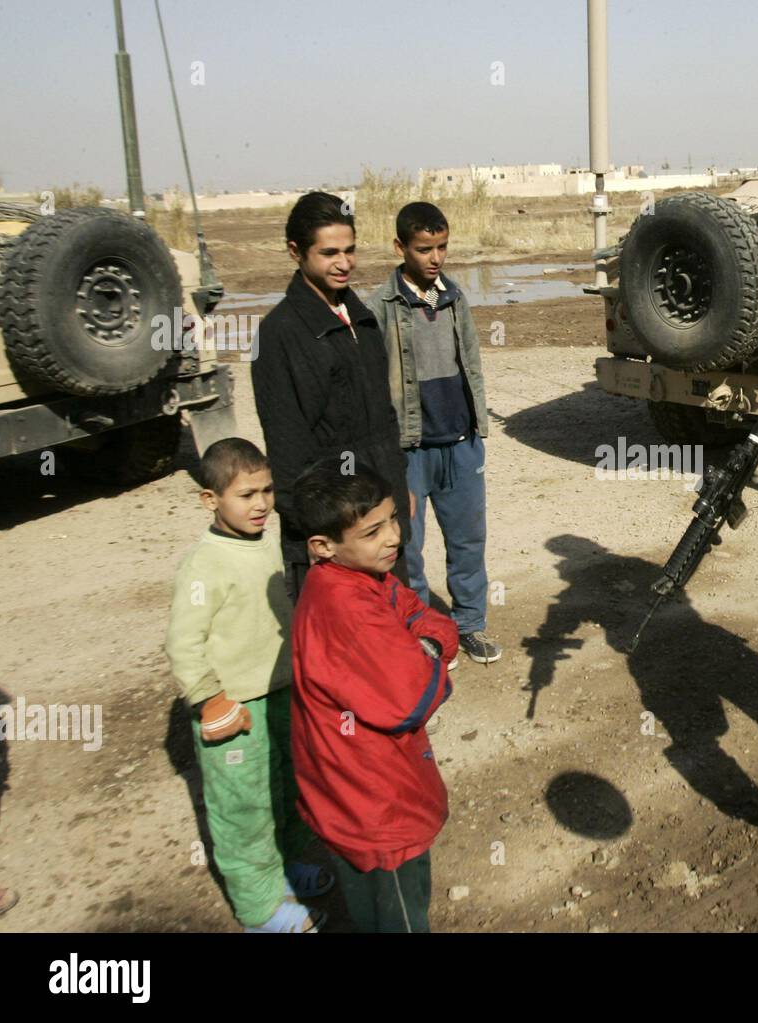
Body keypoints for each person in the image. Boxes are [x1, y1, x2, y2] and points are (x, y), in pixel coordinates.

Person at [164, 437, 333, 933]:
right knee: (244, 805)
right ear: (210, 500)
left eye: (267, 491)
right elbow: (183, 643)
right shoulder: (204, 564)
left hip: (283, 693)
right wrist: (208, 698)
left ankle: (290, 864)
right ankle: (260, 906)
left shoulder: (267, 545)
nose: (261, 504)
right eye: (246, 494)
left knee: (291, 784)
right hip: (235, 708)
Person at [290, 460, 458, 933]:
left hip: (374, 787)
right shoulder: (347, 609)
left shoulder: (363, 580)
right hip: (371, 800)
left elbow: (422, 616)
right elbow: (411, 699)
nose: (392, 538)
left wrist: (423, 643)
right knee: (396, 914)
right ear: (323, 547)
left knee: (405, 895)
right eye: (371, 531)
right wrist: (428, 652)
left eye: (392, 520)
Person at [251, 191, 412, 603]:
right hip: (337, 537)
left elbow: (384, 416)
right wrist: (321, 535)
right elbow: (287, 449)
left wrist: (398, 483)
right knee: (347, 655)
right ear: (295, 252)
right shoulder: (280, 334)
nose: (344, 263)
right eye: (329, 253)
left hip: (382, 517)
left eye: (350, 250)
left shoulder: (363, 317)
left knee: (398, 633)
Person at [366, 201, 500, 665]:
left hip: (461, 445)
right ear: (400, 247)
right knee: (409, 550)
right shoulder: (380, 307)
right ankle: (420, 636)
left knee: (468, 542)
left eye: (442, 247)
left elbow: (472, 366)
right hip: (410, 451)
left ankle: (470, 626)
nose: (436, 258)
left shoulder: (455, 298)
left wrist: (477, 428)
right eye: (425, 249)